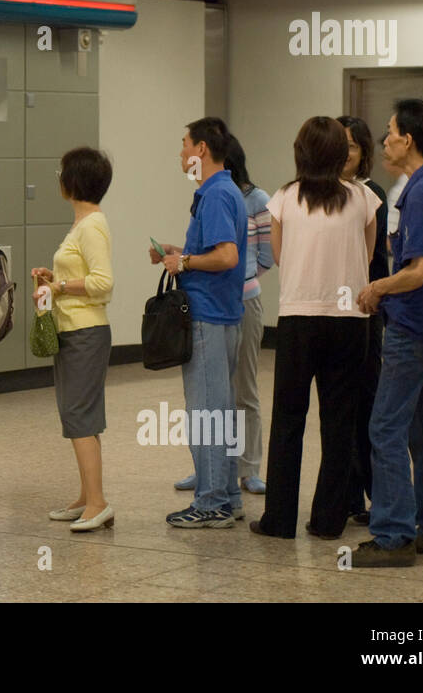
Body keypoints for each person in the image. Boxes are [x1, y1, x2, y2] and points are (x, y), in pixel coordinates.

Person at [249, 117, 374, 540]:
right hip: (350, 321)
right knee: (339, 422)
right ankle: (328, 521)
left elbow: (280, 255)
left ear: (300, 153)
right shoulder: (362, 198)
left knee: (288, 419)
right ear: (341, 154)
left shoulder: (285, 197)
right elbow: (368, 253)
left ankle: (279, 519)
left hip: (299, 317)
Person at [353, 99, 423, 566]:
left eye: (391, 131)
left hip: (411, 327)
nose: (384, 140)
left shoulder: (419, 193)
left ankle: (395, 535)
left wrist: (377, 286)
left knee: (385, 427)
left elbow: (420, 270)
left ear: (409, 140)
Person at [150, 117, 247, 528]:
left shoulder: (217, 195)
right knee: (220, 410)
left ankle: (211, 502)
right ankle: (228, 494)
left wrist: (184, 262)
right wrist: (178, 251)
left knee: (207, 411)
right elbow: (216, 251)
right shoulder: (223, 191)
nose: (180, 151)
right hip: (222, 313)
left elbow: (227, 256)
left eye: (184, 143)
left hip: (208, 316)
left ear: (202, 149)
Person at [174, 136, 272, 496]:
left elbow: (256, 255)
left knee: (233, 393)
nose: (181, 154)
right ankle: (214, 476)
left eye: (185, 145)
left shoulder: (237, 196)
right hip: (219, 303)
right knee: (214, 396)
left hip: (235, 302)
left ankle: (243, 472)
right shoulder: (211, 195)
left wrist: (238, 280)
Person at [31, 147, 115, 532]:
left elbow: (102, 283)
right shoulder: (82, 225)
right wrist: (55, 279)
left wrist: (60, 285)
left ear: (71, 182)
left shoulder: (92, 225)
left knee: (80, 417)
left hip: (85, 331)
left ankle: (97, 502)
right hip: (73, 330)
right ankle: (87, 496)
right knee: (78, 416)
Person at [338, 115, 389, 526]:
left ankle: (379, 497)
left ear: (364, 153)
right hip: (332, 315)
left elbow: (371, 258)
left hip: (364, 311)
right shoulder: (319, 192)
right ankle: (349, 496)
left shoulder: (370, 195)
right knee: (342, 407)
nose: (343, 154)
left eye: (351, 147)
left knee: (365, 406)